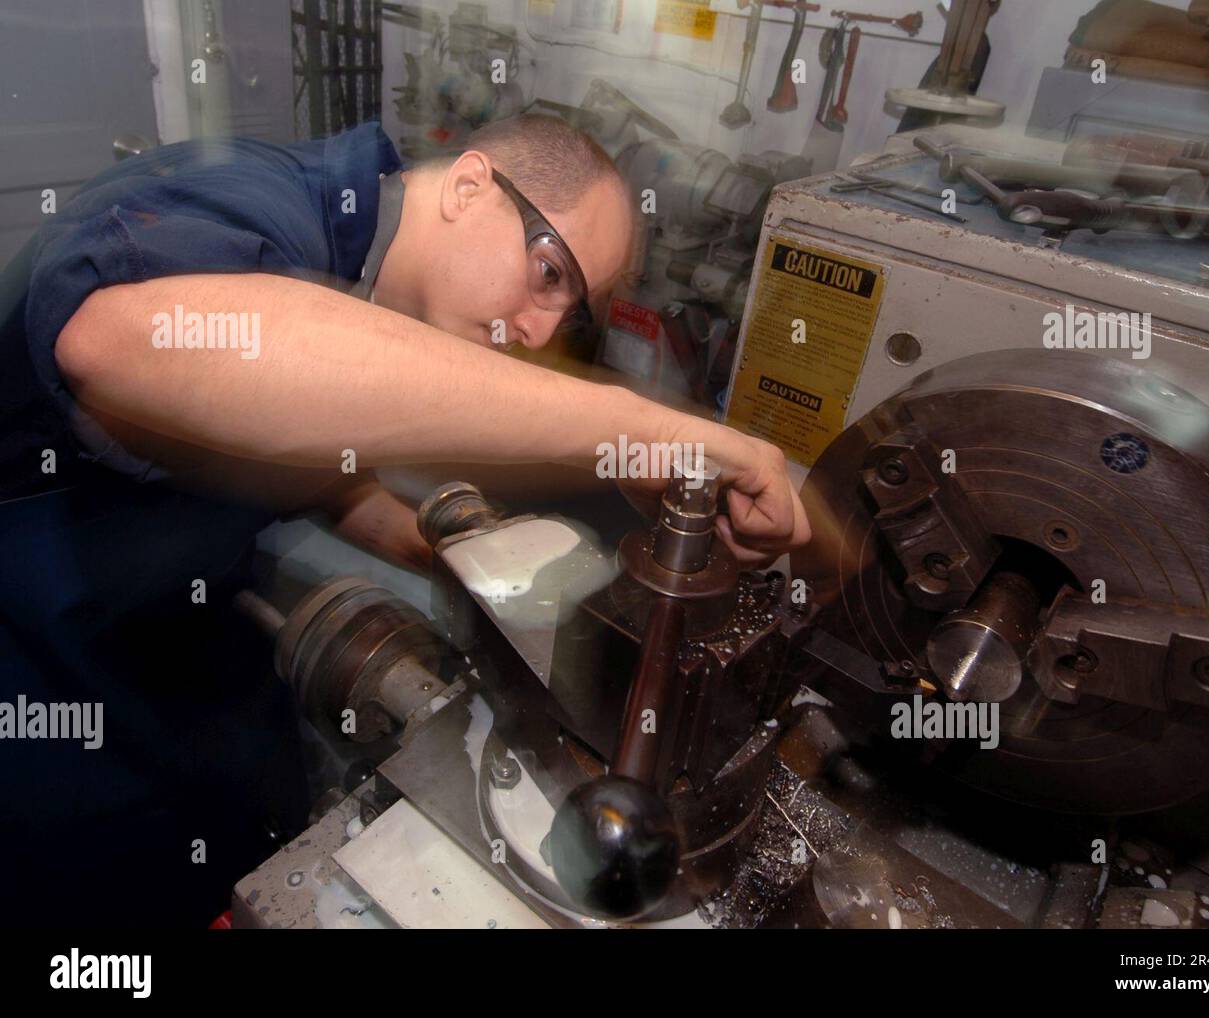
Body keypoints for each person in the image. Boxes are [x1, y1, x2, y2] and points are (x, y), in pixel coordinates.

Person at [0, 114, 809, 926]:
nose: (535, 331)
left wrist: (464, 561)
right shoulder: (256, 200)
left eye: (570, 316)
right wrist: (644, 428)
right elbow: (119, 344)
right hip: (46, 659)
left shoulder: (357, 268)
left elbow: (305, 464)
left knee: (261, 832)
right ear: (468, 187)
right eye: (549, 273)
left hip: (187, 625)